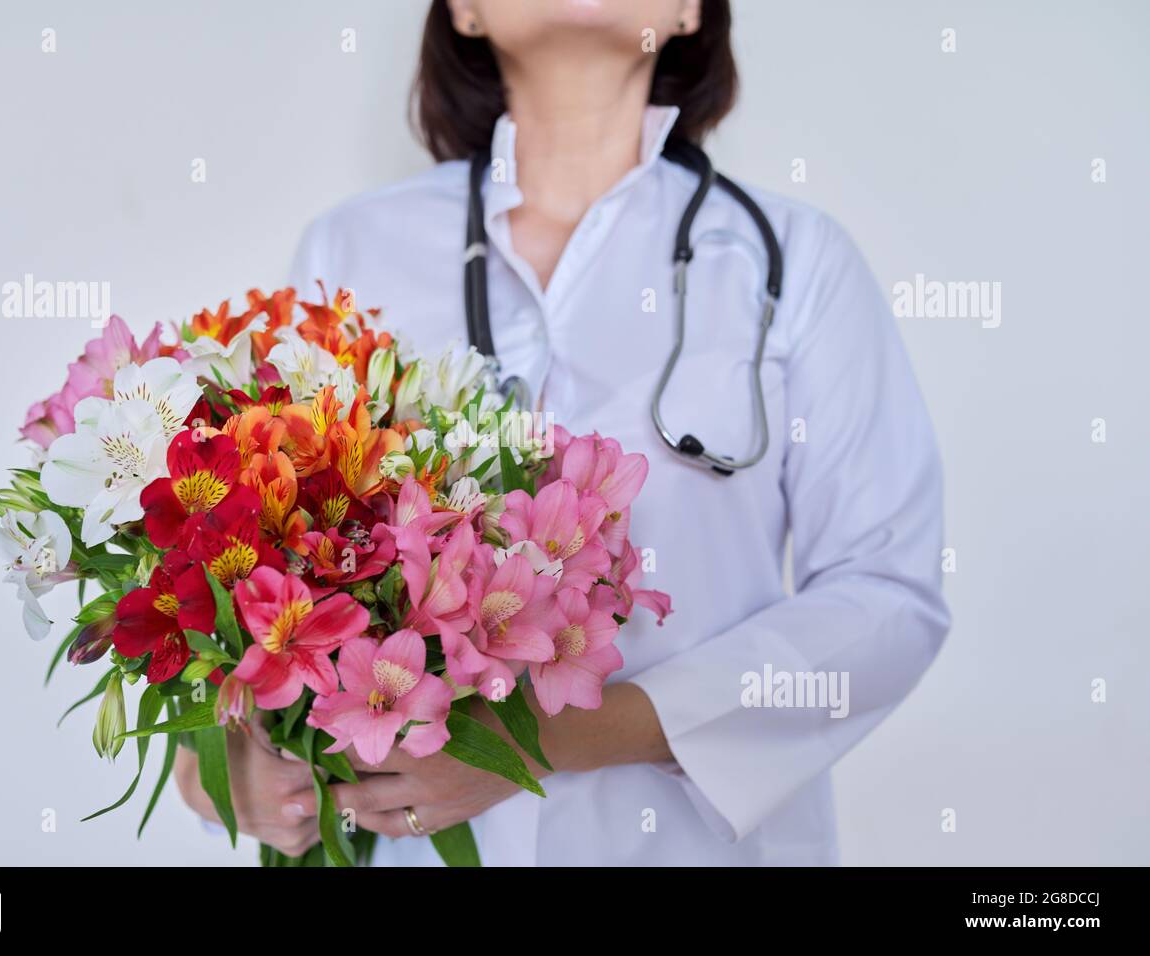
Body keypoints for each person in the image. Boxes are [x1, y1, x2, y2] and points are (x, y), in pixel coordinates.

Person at [176, 0, 950, 866]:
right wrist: (222, 760)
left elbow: (887, 597)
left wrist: (538, 742)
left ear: (692, 10)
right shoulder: (354, 250)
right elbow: (274, 547)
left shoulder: (795, 261)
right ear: (464, 12)